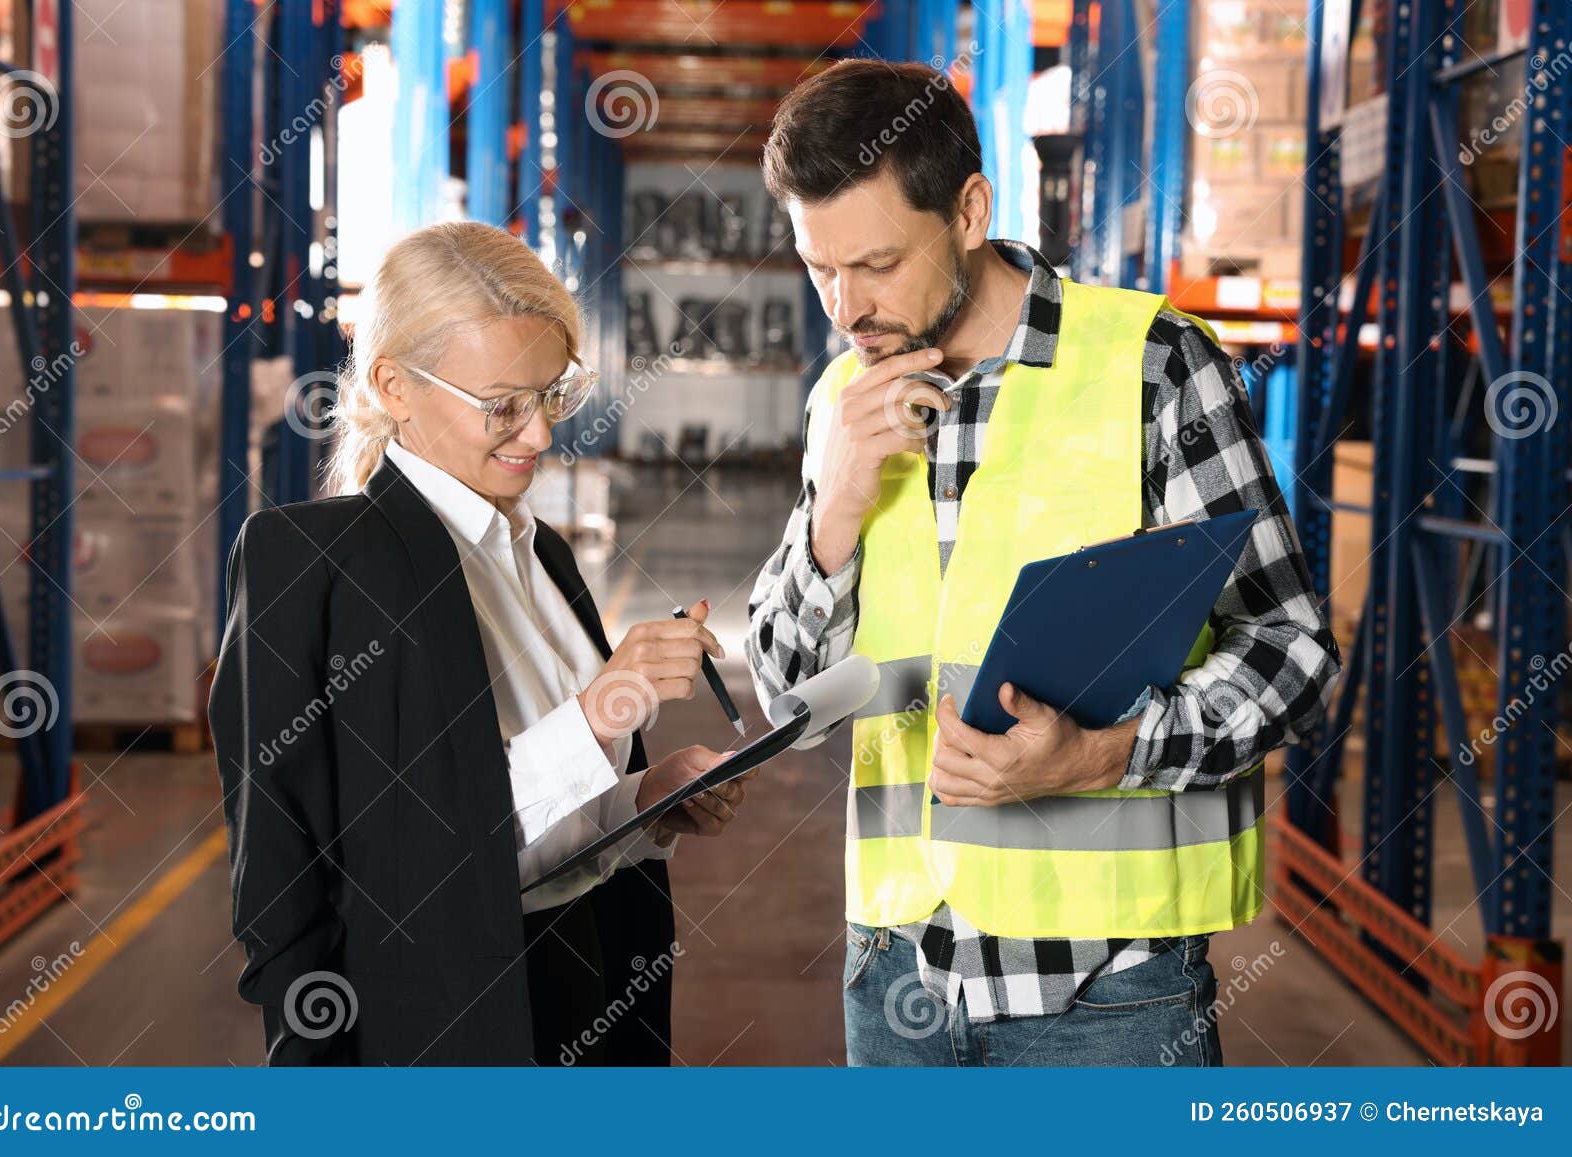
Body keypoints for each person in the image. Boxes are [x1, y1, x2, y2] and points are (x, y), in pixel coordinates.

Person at [745, 59, 1342, 1066]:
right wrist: (835, 505)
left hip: (1108, 992)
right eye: (819, 269)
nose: (846, 308)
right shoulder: (842, 398)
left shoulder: (1152, 366)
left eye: (878, 263)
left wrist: (1104, 753)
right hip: (896, 974)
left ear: (969, 210)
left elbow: (1293, 653)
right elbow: (780, 695)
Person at [210, 220, 749, 1066]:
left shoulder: (546, 555)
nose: (538, 436)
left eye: (552, 396)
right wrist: (604, 708)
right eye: (503, 405)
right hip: (440, 1023)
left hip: (599, 975)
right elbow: (307, 876)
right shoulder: (312, 564)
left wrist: (645, 799)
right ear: (394, 384)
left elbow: (537, 812)